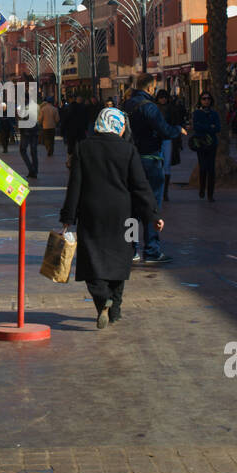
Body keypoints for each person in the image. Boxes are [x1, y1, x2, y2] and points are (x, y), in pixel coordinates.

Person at [59, 107, 158, 329]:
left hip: (91, 213)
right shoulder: (129, 150)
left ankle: (104, 299)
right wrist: (153, 215)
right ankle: (115, 311)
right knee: (122, 259)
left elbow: (74, 186)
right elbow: (140, 186)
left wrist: (68, 217)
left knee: (91, 260)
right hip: (125, 216)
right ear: (117, 125)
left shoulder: (83, 148)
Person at [123, 72, 186, 264]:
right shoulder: (149, 107)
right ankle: (151, 250)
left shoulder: (127, 105)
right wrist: (178, 130)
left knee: (131, 207)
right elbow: (164, 130)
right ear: (150, 87)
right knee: (151, 205)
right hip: (149, 159)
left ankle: (130, 249)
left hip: (130, 160)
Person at [190, 91, 222, 202]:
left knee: (211, 169)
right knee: (203, 167)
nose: (206, 100)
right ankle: (202, 188)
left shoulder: (214, 114)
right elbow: (196, 127)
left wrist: (205, 127)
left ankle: (210, 194)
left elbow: (218, 128)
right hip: (201, 144)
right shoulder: (197, 113)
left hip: (212, 144)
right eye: (204, 98)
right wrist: (209, 126)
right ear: (201, 100)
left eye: (208, 98)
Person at [155, 89, 175, 200]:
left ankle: (165, 192)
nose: (163, 99)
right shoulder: (154, 109)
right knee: (158, 165)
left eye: (164, 97)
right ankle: (160, 190)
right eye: (161, 97)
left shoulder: (171, 109)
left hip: (167, 139)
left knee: (166, 165)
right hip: (157, 140)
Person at [18, 105, 41, 178]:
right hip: (35, 130)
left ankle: (31, 169)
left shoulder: (24, 107)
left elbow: (22, 119)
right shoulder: (37, 106)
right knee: (34, 151)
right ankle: (35, 171)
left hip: (26, 131)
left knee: (22, 150)